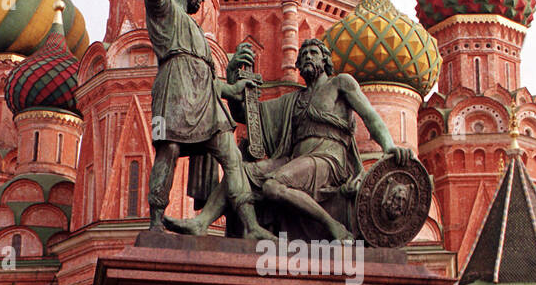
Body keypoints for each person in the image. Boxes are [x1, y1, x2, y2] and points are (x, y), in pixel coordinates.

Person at [167, 37, 416, 242]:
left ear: (325, 61)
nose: (308, 57)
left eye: (314, 53)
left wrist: (389, 146)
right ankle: (201, 223)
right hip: (297, 158)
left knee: (273, 186)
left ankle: (333, 226)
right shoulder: (294, 101)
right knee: (240, 172)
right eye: (304, 54)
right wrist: (233, 79)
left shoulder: (341, 83)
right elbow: (247, 115)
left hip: (329, 160)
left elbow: (371, 117)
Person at [142, 0, 270, 240]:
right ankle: (155, 219)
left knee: (231, 155)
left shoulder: (198, 34)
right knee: (167, 150)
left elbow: (211, 82)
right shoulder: (165, 13)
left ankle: (252, 225)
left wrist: (235, 88)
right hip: (174, 90)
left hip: (205, 99)